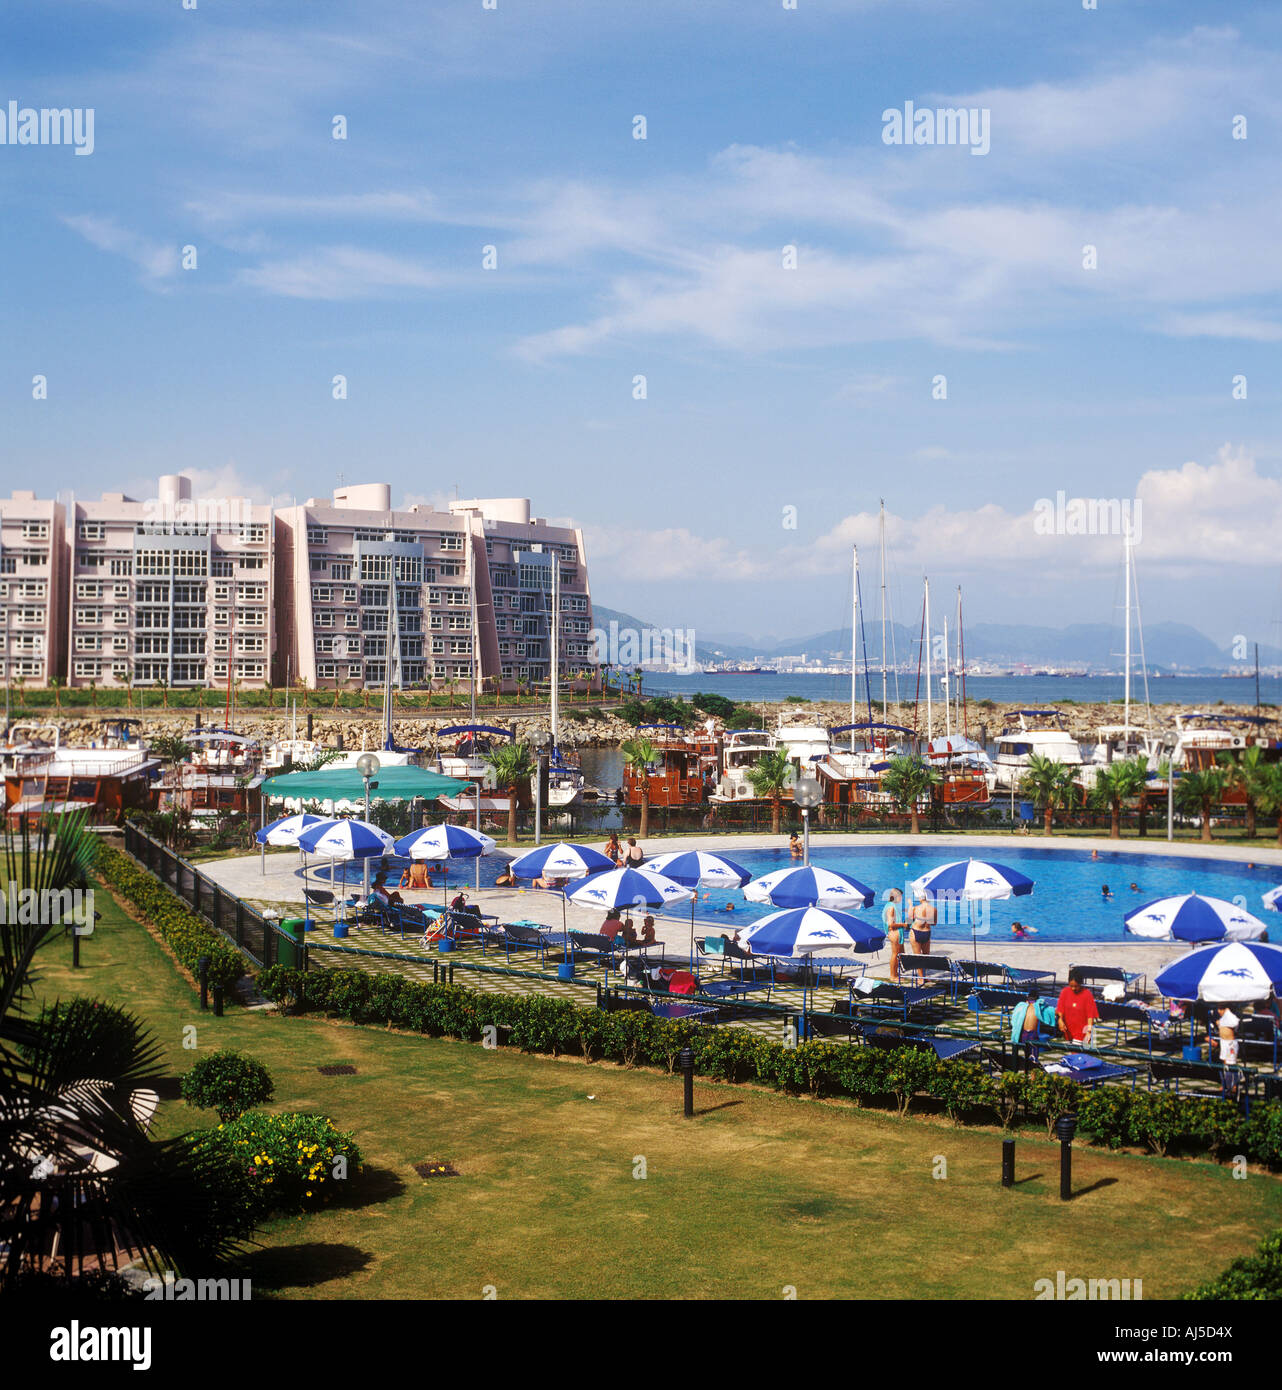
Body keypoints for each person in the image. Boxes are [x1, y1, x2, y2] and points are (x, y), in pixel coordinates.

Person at [1056, 969, 1100, 1046]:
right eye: (1071, 986)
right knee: (1072, 1051)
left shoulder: (1087, 995)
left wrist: (1089, 1032)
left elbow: (1090, 1015)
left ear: (1080, 983)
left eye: (1076, 986)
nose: (1073, 988)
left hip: (1082, 1031)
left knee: (1076, 1052)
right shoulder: (1065, 992)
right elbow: (1060, 1008)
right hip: (1068, 1030)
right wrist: (1060, 1019)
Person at [1011, 990, 1056, 1062]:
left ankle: (1033, 1063)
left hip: (1032, 1033)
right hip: (1024, 1033)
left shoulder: (1038, 1007)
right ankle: (1029, 1063)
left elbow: (1049, 1009)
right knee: (1027, 1051)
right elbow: (1016, 1015)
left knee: (1034, 1052)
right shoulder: (1023, 1007)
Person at [883, 889, 905, 982]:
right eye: (900, 896)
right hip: (894, 933)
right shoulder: (891, 908)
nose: (901, 898)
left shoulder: (891, 906)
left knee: (898, 954)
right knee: (895, 954)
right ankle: (893, 975)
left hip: (897, 932)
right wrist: (904, 925)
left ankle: (896, 973)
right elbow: (890, 925)